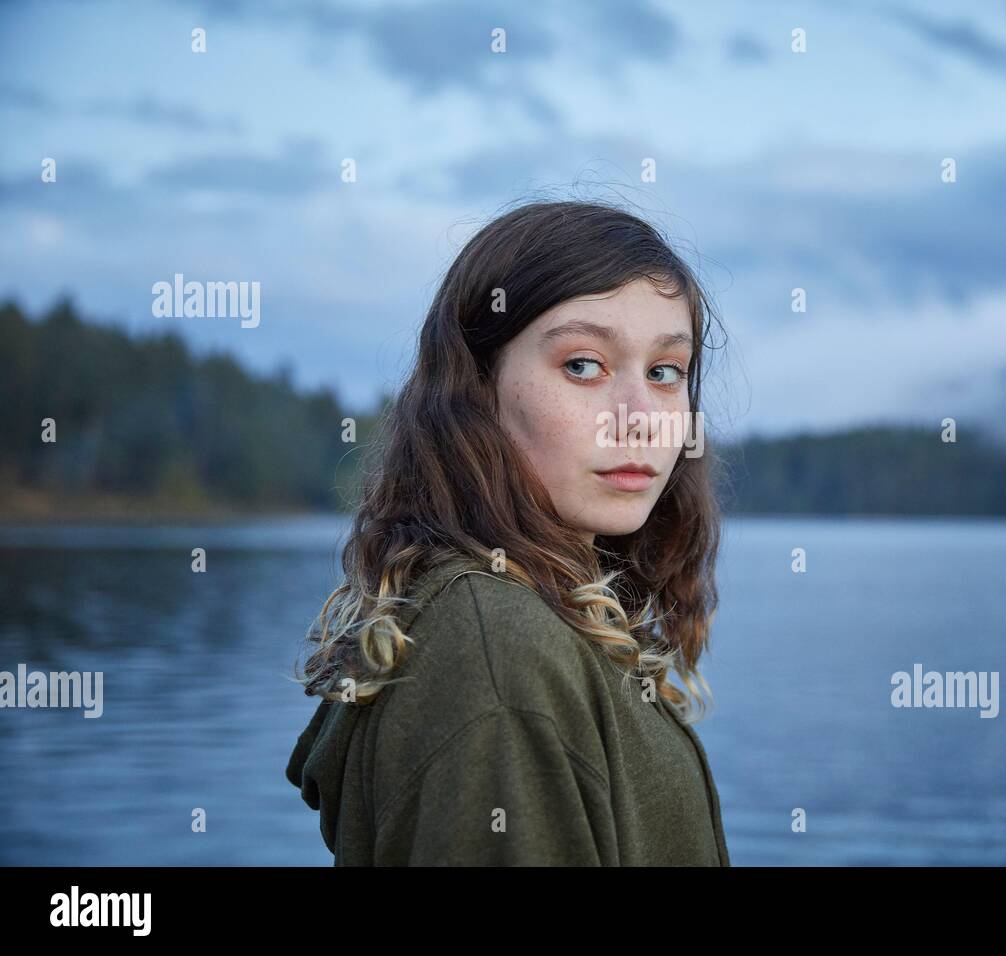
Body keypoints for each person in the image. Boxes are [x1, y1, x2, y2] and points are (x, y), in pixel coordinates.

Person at [285, 199, 731, 865]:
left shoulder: (536, 618)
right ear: (478, 388)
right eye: (584, 364)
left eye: (665, 372)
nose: (640, 417)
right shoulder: (499, 648)